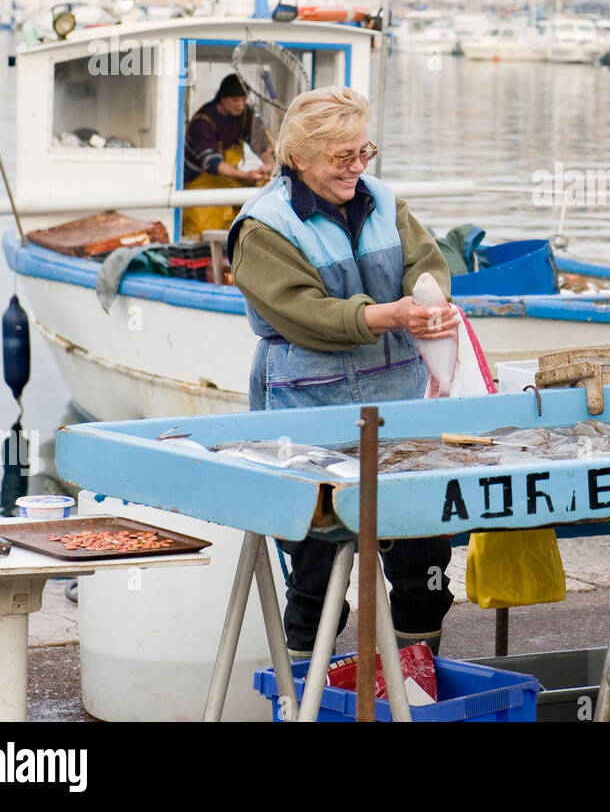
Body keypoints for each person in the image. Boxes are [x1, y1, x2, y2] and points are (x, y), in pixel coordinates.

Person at [227, 85, 462, 657]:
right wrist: (391, 315)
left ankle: (416, 683)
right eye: (341, 157)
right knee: (316, 579)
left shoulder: (383, 199)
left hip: (398, 414)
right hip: (308, 417)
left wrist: (429, 302)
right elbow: (305, 314)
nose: (357, 167)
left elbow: (426, 263)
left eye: (364, 152)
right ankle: (308, 695)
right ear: (299, 158)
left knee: (423, 570)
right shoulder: (263, 228)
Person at [181, 74, 275, 238]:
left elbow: (261, 144)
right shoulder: (202, 122)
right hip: (200, 185)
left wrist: (270, 166)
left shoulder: (245, 114)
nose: (240, 105)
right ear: (222, 98)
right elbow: (213, 163)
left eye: (243, 100)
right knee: (204, 234)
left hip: (229, 181)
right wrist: (246, 175)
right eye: (235, 100)